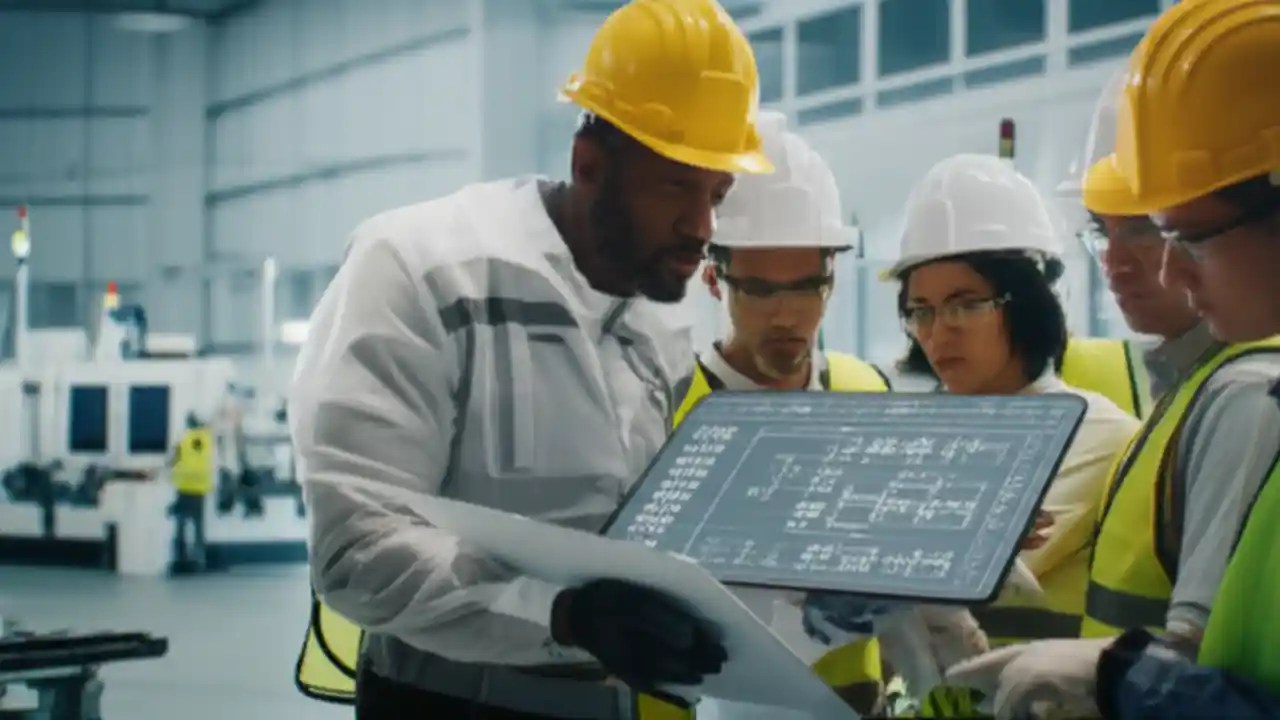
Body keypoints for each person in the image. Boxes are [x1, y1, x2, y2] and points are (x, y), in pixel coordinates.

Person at [288, 1, 771, 717]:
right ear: (589, 164)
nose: (701, 227)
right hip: (442, 701)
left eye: (717, 194)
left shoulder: (662, 313)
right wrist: (564, 618)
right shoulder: (422, 268)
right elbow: (356, 549)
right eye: (676, 186)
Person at [946, 1, 1280, 717]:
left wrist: (1124, 679)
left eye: (1181, 237)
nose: (1160, 271)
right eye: (1111, 233)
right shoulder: (1207, 387)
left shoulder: (1249, 395)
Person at [802, 153, 1139, 716]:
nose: (939, 333)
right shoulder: (922, 428)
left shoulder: (1089, 429)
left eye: (966, 304)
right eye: (922, 310)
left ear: (1027, 300)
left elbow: (957, 573)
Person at [674, 109, 889, 717]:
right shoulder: (669, 410)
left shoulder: (867, 394)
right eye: (761, 291)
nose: (787, 315)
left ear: (833, 276)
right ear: (715, 280)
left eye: (806, 286)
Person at [169, 412, 213, 574]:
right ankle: (199, 559)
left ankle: (179, 557)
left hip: (184, 487)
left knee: (181, 524)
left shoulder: (183, 440)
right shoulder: (207, 439)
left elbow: (172, 460)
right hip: (199, 488)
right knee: (198, 526)